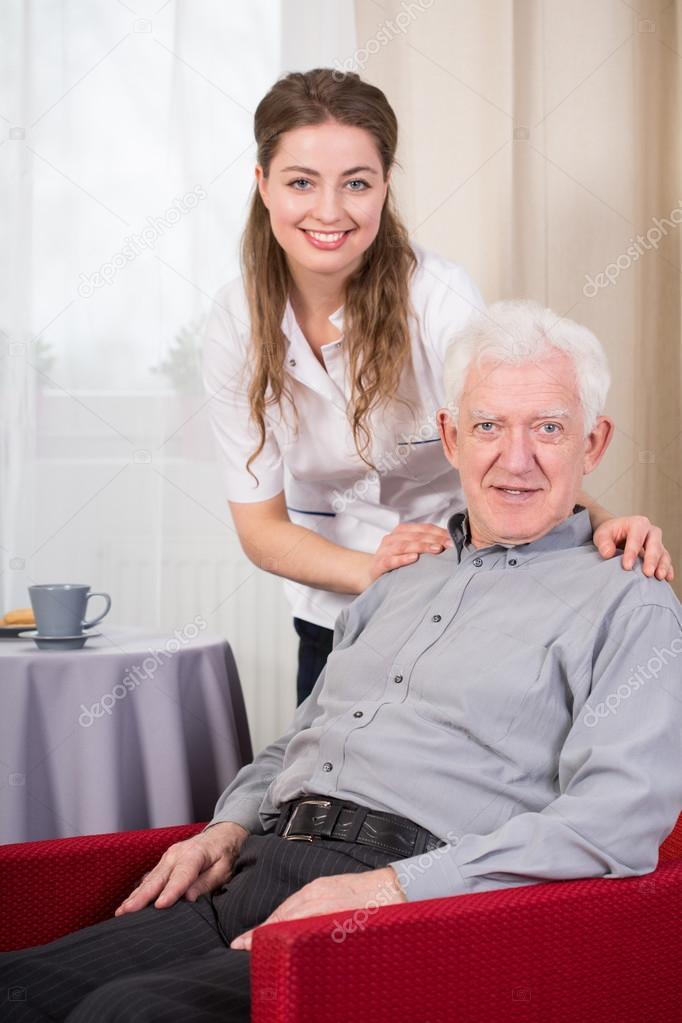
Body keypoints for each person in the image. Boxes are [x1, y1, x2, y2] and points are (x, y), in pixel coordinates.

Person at [4, 300, 681, 1022]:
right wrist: (228, 825)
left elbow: (616, 821)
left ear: (595, 442)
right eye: (489, 425)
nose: (516, 459)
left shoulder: (630, 604)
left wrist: (391, 888)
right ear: (451, 437)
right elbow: (302, 737)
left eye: (548, 427)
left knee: (127, 1014)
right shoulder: (400, 575)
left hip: (407, 915)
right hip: (256, 870)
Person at [202, 68, 673, 707]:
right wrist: (371, 569)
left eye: (357, 183)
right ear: (263, 184)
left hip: (460, 597)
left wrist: (613, 525)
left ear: (386, 186)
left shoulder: (438, 298)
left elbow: (512, 441)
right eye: (301, 182)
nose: (330, 210)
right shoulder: (234, 324)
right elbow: (261, 528)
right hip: (337, 614)